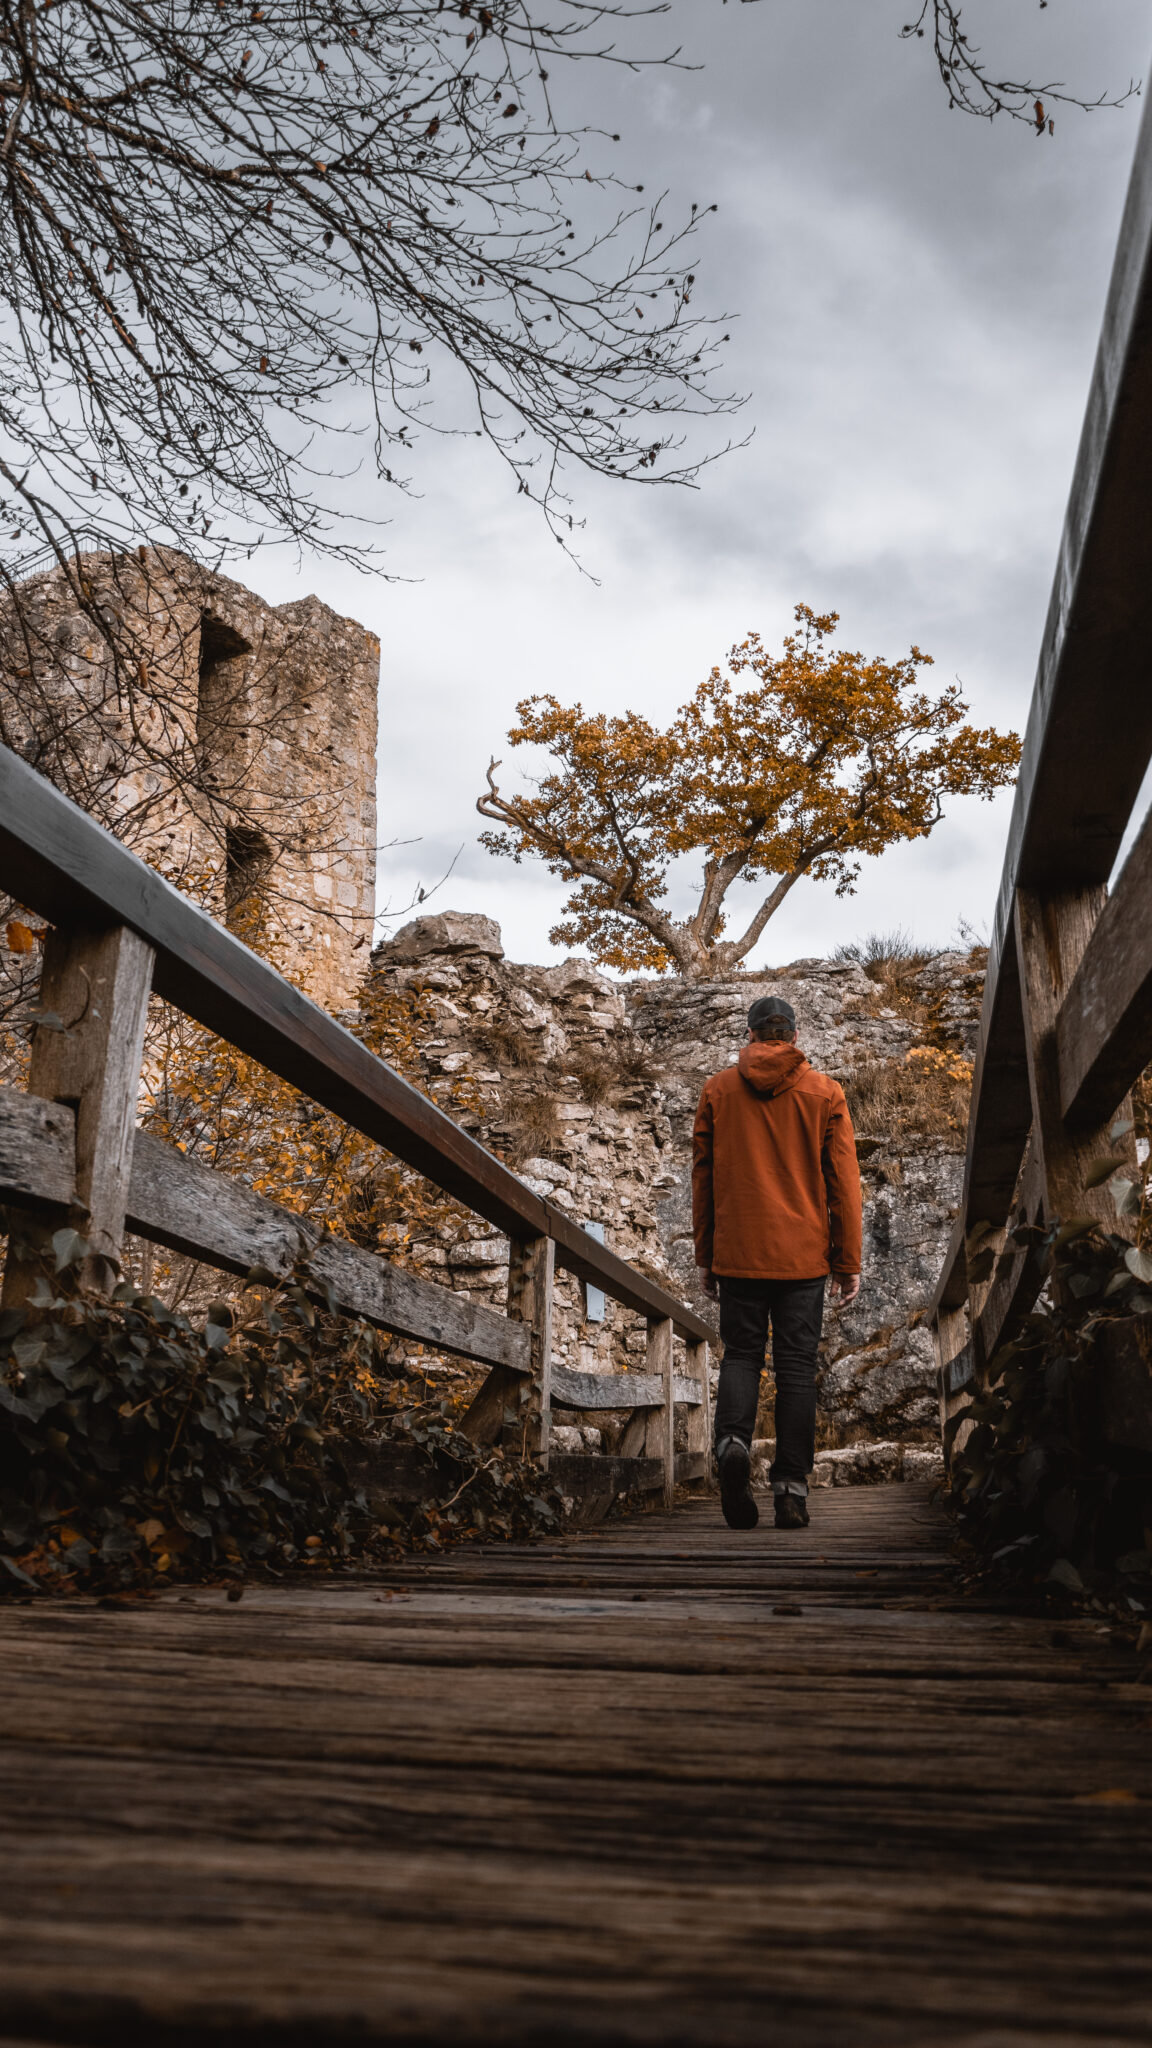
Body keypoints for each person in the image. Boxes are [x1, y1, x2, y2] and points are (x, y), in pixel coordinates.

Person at [692, 994, 862, 1531]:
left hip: (739, 1254)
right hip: (803, 1259)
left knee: (741, 1356)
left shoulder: (718, 1090)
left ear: (751, 1036)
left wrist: (706, 1255)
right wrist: (847, 1260)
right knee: (794, 1371)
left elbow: (704, 1178)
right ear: (791, 1034)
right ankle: (790, 1489)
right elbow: (844, 1183)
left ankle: (734, 1444)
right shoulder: (824, 1091)